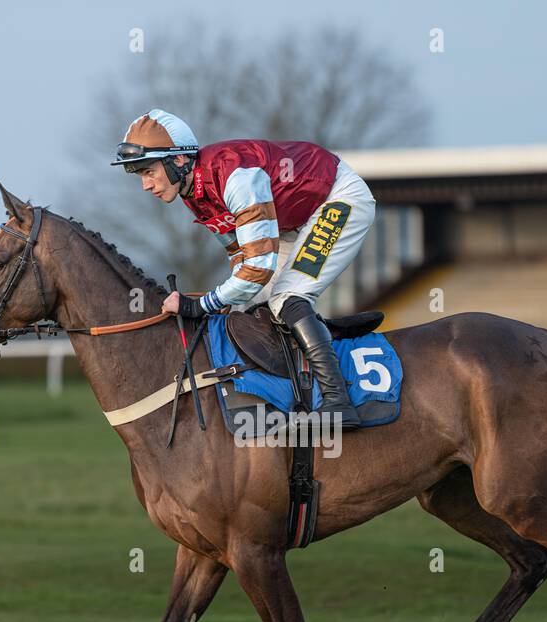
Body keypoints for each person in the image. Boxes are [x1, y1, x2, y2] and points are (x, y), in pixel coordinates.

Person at [110, 109, 376, 430]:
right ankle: (295, 378)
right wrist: (224, 303)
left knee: (287, 297)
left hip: (337, 198)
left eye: (148, 172)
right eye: (138, 175)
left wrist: (201, 304)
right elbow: (239, 254)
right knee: (247, 307)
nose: (145, 185)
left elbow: (257, 268)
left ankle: (339, 401)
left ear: (178, 161)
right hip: (293, 221)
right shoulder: (192, 193)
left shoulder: (236, 177)